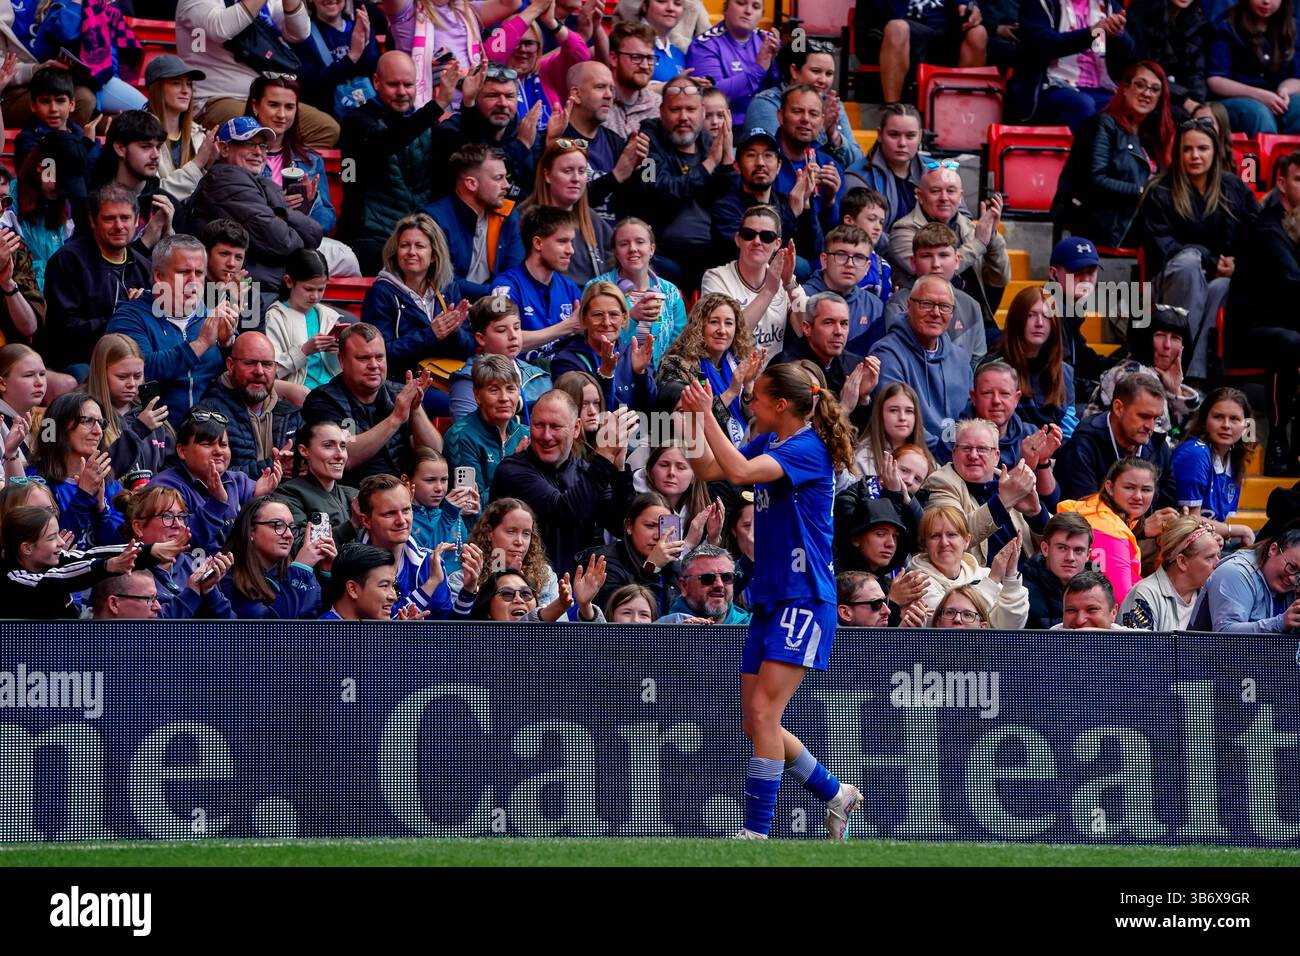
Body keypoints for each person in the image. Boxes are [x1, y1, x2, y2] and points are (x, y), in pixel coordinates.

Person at [677, 361, 863, 841]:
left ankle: (756, 834)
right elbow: (709, 468)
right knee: (754, 720)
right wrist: (691, 420)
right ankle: (835, 793)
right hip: (772, 596)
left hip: (805, 597)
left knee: (763, 714)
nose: (750, 403)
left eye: (756, 397)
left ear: (782, 404)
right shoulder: (773, 441)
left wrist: (708, 414)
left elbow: (736, 468)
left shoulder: (807, 447)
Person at [1136, 117, 1259, 379]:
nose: (1195, 155)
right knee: (1190, 263)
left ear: (1215, 151)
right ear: (1177, 152)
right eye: (1187, 149)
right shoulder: (1159, 190)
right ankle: (1173, 366)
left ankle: (1192, 376)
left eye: (1202, 148)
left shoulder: (1233, 188)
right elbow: (1164, 248)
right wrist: (1212, 261)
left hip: (1218, 280)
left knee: (1223, 286)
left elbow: (1255, 235)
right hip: (1170, 281)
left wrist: (1239, 265)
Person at [339, 50, 458, 273]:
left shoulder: (429, 125)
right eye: (394, 84)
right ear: (376, 82)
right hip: (369, 238)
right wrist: (437, 105)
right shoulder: (356, 122)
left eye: (408, 85)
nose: (402, 92)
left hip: (420, 238)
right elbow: (385, 143)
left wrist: (469, 104)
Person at [489, 389, 633, 573]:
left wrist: (619, 470)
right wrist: (604, 456)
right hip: (518, 590)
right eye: (539, 425)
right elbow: (564, 512)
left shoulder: (585, 470)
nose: (546, 436)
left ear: (576, 428)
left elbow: (621, 526)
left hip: (575, 591)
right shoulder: (512, 471)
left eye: (556, 427)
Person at [1223, 148, 1300, 473]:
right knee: (1291, 342)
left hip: (1285, 325)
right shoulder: (1267, 228)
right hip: (1248, 333)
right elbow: (1293, 283)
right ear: (1281, 183)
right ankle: (1278, 442)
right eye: (1299, 179)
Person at [175, 0, 340, 150]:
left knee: (325, 129)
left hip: (265, 100)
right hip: (214, 100)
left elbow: (300, 32)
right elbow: (220, 29)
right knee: (257, 130)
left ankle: (281, 171)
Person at [186, 116, 324, 294]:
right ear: (225, 148)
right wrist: (285, 216)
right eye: (250, 144)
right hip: (241, 293)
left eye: (263, 146)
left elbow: (314, 234)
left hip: (261, 288)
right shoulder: (226, 179)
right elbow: (282, 241)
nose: (259, 152)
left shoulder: (258, 182)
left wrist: (286, 215)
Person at [624, 73, 736, 289]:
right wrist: (710, 164)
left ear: (702, 113)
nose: (683, 117)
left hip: (709, 250)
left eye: (691, 110)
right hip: (662, 251)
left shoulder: (708, 143)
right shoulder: (648, 142)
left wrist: (727, 160)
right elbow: (656, 190)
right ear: (662, 112)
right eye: (675, 110)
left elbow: (727, 199)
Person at [245, 73, 359, 278]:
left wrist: (310, 204)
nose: (282, 114)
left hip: (301, 242)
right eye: (273, 105)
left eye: (289, 107)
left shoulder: (310, 160)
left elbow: (327, 220)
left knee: (348, 259)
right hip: (256, 244)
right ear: (255, 106)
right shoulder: (241, 154)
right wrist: (280, 208)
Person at [299, 323, 443, 486]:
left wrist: (415, 409)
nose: (374, 365)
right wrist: (395, 418)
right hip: (352, 497)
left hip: (402, 496)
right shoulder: (323, 400)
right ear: (342, 360)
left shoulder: (400, 393)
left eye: (379, 357)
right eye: (363, 358)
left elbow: (434, 453)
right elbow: (346, 457)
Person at [1051, 60, 1173, 247]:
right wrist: (1143, 191)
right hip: (1102, 221)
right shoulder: (1103, 125)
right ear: (1124, 88)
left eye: (1155, 89)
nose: (1146, 93)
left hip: (1137, 220)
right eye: (1140, 85)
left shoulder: (1153, 137)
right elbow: (1095, 181)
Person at [39, 185, 151, 379]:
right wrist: (122, 317)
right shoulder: (68, 260)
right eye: (109, 218)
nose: (119, 226)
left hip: (132, 360)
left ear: (136, 221)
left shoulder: (144, 266)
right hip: (78, 361)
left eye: (125, 218)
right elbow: (63, 330)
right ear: (92, 220)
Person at [360, 212, 471, 391]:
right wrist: (431, 334)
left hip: (447, 378)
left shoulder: (447, 289)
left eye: (419, 246)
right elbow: (378, 354)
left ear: (434, 255)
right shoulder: (381, 293)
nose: (411, 252)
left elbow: (469, 348)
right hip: (402, 383)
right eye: (405, 245)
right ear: (396, 252)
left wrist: (455, 331)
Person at [150, 409, 282, 557]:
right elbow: (178, 542)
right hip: (192, 575)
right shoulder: (165, 488)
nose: (219, 451)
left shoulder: (238, 481)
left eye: (224, 444)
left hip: (236, 573)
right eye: (208, 444)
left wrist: (257, 498)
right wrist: (216, 504)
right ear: (182, 450)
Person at [921, 417, 1049, 563]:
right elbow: (952, 536)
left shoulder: (1009, 481)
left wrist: (1036, 514)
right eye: (966, 448)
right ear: (954, 453)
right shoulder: (940, 482)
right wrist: (1003, 502)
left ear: (996, 456)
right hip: (978, 582)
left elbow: (1055, 543)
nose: (973, 455)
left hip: (1027, 579)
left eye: (982, 449)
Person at [870, 274, 974, 451]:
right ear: (909, 305)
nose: (935, 313)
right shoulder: (886, 354)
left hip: (958, 458)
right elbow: (898, 423)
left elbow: (971, 417)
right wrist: (946, 454)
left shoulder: (961, 359)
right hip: (910, 458)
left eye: (944, 307)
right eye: (926, 304)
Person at [888, 163, 1010, 310]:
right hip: (925, 317)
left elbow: (999, 278)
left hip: (973, 316)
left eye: (951, 191)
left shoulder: (971, 228)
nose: (944, 198)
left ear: (961, 197)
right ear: (919, 196)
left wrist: (992, 236)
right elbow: (932, 275)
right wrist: (978, 244)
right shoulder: (903, 230)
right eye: (935, 191)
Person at [1007, 0, 1136, 131]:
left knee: (1130, 106)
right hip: (1051, 86)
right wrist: (1091, 33)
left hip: (1100, 87)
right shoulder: (1041, 3)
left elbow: (1130, 54)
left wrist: (1119, 34)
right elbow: (1041, 45)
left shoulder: (1107, 5)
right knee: (1082, 105)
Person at [0, 506, 149, 619]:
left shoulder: (51, 560)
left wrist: (150, 550)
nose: (61, 542)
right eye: (51, 538)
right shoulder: (12, 579)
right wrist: (107, 566)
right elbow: (57, 579)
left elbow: (89, 556)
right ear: (27, 548)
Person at [1056, 371, 1178, 508]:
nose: (1150, 426)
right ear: (1118, 408)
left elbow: (1170, 506)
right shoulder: (1082, 447)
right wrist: (1142, 528)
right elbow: (1084, 517)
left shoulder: (1159, 447)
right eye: (1143, 416)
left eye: (1155, 418)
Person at [657, 292, 763, 446]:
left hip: (736, 448)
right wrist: (732, 391)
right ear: (699, 325)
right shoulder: (676, 364)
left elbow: (753, 418)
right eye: (714, 322)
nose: (722, 330)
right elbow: (690, 424)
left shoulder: (736, 361)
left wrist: (748, 386)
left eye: (728, 323)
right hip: (693, 451)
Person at [712, 126, 824, 272]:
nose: (760, 163)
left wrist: (806, 203)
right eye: (751, 155)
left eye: (768, 155)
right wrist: (791, 213)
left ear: (778, 166)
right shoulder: (726, 208)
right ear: (737, 166)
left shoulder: (785, 201)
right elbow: (749, 255)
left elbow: (813, 250)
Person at [549, 60, 645, 227]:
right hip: (570, 240)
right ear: (576, 94)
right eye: (600, 87)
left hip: (612, 245)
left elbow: (638, 202)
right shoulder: (556, 138)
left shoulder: (615, 141)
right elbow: (565, 201)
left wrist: (643, 169)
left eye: (612, 89)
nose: (609, 95)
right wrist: (617, 176)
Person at [701, 206, 807, 358]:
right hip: (729, 374)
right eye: (749, 234)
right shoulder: (716, 278)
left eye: (766, 236)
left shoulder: (785, 279)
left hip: (770, 378)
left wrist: (790, 283)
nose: (757, 241)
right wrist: (769, 291)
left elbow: (803, 328)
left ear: (777, 243)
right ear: (738, 239)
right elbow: (731, 336)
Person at [1056, 455, 1164, 604]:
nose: (1138, 496)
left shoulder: (1094, 506)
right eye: (1129, 488)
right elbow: (1122, 599)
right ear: (1110, 487)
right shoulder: (1109, 530)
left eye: (1146, 490)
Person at [1084, 303, 1204, 437]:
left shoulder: (1161, 376)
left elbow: (1190, 434)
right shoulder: (1129, 374)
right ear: (1144, 339)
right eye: (1160, 335)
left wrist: (1175, 391)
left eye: (1175, 338)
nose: (1167, 345)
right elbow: (1155, 439)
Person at [196, 332, 303, 480]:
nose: (259, 371)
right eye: (250, 363)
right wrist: (273, 467)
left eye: (267, 364)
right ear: (230, 365)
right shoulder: (208, 414)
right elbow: (207, 474)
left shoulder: (291, 414)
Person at [118, 484, 236, 619]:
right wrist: (192, 593)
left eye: (180, 517)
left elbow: (231, 626)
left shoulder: (194, 563)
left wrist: (209, 590)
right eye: (167, 516)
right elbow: (146, 633)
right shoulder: (125, 571)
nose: (178, 525)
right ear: (138, 527)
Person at [588, 217, 689, 372]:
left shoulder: (670, 292)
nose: (633, 248)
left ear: (652, 249)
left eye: (640, 242)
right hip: (611, 374)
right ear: (615, 252)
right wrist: (631, 318)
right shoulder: (596, 288)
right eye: (624, 244)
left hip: (655, 380)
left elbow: (678, 345)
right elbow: (592, 340)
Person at [428, 62, 540, 203]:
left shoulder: (526, 131)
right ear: (474, 98)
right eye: (492, 95)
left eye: (510, 96)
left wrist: (551, 143)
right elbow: (479, 166)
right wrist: (520, 146)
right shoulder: (451, 132)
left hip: (517, 221)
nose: (503, 103)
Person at [423, 144, 523, 301]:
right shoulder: (434, 219)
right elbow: (440, 280)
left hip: (496, 309)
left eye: (506, 177)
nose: (507, 186)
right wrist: (493, 292)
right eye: (498, 178)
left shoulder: (508, 215)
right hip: (447, 309)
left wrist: (498, 295)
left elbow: (515, 273)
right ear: (471, 183)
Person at [747, 39, 863, 173]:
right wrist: (822, 128)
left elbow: (858, 163)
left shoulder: (833, 105)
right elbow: (769, 159)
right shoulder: (765, 103)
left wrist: (834, 136)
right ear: (795, 71)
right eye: (816, 71)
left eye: (829, 74)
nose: (823, 80)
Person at [26, 392, 126, 548]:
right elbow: (54, 547)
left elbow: (118, 547)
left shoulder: (109, 484)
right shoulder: (35, 481)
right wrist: (84, 495)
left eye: (101, 422)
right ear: (60, 426)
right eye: (88, 421)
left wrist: (101, 511)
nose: (98, 431)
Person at [909, 504, 1030, 628]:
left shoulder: (984, 575)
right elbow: (947, 622)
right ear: (924, 544)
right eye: (935, 536)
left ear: (966, 541)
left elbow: (1009, 625)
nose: (944, 542)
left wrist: (1011, 576)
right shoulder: (915, 581)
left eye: (951, 534)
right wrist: (992, 581)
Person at [771, 292, 879, 430]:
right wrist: (844, 408)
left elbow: (862, 435)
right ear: (807, 328)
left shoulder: (855, 365)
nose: (839, 331)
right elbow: (793, 435)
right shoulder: (788, 368)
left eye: (844, 323)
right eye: (829, 323)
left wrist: (863, 399)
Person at [883, 222, 987, 365]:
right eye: (926, 256)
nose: (936, 264)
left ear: (957, 261)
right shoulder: (898, 305)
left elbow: (977, 363)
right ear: (913, 262)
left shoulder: (971, 306)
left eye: (943, 255)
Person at [488, 205, 583, 362]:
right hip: (517, 379)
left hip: (562, 377)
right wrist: (566, 327)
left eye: (571, 242)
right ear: (538, 243)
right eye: (562, 241)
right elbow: (502, 340)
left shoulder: (570, 288)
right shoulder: (504, 287)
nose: (571, 250)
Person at [353, 472, 454, 618]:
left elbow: (447, 626)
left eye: (406, 510)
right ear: (366, 521)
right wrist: (429, 585)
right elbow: (368, 626)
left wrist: (469, 591)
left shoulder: (430, 562)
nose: (401, 520)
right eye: (389, 513)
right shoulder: (351, 566)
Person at [550, 282, 658, 410]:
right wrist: (605, 375)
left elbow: (652, 410)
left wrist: (641, 374)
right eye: (597, 314)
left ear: (624, 319)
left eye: (614, 314)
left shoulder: (634, 355)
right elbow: (586, 416)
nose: (606, 323)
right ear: (583, 319)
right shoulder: (566, 361)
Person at [220, 495, 331, 618]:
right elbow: (272, 631)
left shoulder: (293, 571)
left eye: (291, 527)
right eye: (278, 525)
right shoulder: (230, 578)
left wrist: (325, 573)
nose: (289, 535)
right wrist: (301, 569)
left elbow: (324, 616)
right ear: (250, 530)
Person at [519, 140, 612, 286]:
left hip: (593, 303)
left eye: (582, 171)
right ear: (547, 175)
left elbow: (616, 267)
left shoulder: (594, 221)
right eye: (567, 171)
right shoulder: (523, 219)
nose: (576, 179)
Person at [950, 361, 1064, 479]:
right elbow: (974, 495)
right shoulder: (955, 437)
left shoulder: (1029, 434)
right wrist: (1025, 466)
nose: (996, 401)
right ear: (973, 397)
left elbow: (1051, 496)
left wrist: (1042, 461)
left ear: (1016, 398)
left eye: (1004, 393)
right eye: (987, 393)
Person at [1171, 386, 1256, 541]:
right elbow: (1190, 521)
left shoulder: (1233, 458)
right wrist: (1238, 530)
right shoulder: (1195, 453)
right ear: (1204, 421)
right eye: (1218, 417)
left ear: (1246, 426)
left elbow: (1216, 524)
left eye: (1234, 419)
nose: (1226, 425)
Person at [447, 296, 551, 421]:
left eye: (517, 327)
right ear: (481, 338)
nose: (513, 336)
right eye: (501, 330)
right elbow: (464, 434)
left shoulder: (539, 377)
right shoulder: (468, 379)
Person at [444, 496, 560, 607]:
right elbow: (464, 626)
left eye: (526, 533)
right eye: (511, 531)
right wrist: (504, 578)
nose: (519, 541)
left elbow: (558, 624)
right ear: (489, 532)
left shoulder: (545, 576)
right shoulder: (461, 579)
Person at [84, 333, 173, 478]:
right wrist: (139, 429)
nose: (132, 384)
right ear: (101, 374)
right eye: (122, 377)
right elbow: (98, 472)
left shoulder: (151, 413)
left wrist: (157, 489)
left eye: (138, 376)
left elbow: (172, 466)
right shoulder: (84, 414)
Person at [867, 0, 989, 106]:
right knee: (896, 27)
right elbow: (888, 14)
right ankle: (892, 108)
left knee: (978, 32)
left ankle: (965, 109)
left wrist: (967, 6)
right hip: (910, 31)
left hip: (947, 32)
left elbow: (969, 7)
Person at [1206, 0, 1300, 134]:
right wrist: (1259, 95)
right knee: (1259, 115)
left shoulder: (1292, 27)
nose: (1266, 2)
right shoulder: (1227, 25)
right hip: (1237, 98)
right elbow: (1215, 80)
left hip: (1277, 96)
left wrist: (1284, 90)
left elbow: (1296, 77)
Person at [580, 491, 684, 612]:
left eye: (663, 528)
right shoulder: (604, 563)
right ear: (629, 526)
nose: (658, 536)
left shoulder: (673, 566)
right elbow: (622, 617)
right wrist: (651, 569)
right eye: (650, 526)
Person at [443, 354, 529, 499]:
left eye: (510, 389)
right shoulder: (462, 436)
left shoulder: (525, 434)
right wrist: (512, 468)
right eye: (494, 390)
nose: (504, 398)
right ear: (477, 395)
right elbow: (471, 505)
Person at [684, 0, 781, 128]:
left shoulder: (767, 40)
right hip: (723, 126)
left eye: (756, 7)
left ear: (761, 15)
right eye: (741, 3)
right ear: (725, 8)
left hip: (766, 122)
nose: (748, 11)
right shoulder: (704, 45)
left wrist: (775, 64)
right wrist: (759, 68)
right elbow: (712, 95)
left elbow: (780, 88)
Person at [263, 249, 346, 391]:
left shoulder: (328, 315)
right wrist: (304, 351)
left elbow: (336, 368)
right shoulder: (275, 316)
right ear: (289, 282)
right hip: (299, 392)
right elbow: (270, 371)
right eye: (308, 289)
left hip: (334, 388)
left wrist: (336, 351)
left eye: (321, 289)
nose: (315, 296)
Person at [1120, 515, 1222, 629]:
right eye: (1209, 557)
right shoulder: (1144, 595)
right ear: (1182, 562)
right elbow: (1140, 646)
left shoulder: (1210, 594)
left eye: (1218, 555)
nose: (1218, 563)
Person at [1190, 526, 1300, 632]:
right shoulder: (1235, 572)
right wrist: (1279, 623)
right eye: (1291, 567)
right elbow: (1224, 633)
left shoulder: (1294, 587)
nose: (1292, 579)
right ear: (1273, 549)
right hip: (1204, 650)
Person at [801, 225, 887, 355]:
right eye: (841, 255)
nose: (850, 264)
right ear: (824, 260)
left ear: (868, 267)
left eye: (859, 257)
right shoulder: (802, 297)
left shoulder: (875, 307)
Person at [291, 0, 382, 121]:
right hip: (329, 117)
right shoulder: (304, 36)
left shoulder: (359, 24)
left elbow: (375, 71)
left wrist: (366, 42)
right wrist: (352, 56)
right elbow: (310, 84)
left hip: (366, 109)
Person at [273, 418, 357, 548]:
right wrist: (353, 526)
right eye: (328, 445)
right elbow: (297, 546)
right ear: (304, 451)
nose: (340, 455)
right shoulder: (288, 494)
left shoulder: (354, 494)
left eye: (343, 446)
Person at [843, 103, 926, 233]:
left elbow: (961, 218)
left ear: (920, 137)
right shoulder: (857, 178)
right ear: (880, 134)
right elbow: (862, 232)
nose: (902, 143)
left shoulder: (935, 171)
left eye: (910, 136)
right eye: (894, 135)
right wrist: (906, 246)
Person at [144, 55, 217, 202]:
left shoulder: (198, 135)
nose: (186, 91)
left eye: (189, 84)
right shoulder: (141, 136)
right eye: (176, 83)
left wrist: (210, 167)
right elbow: (155, 194)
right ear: (157, 89)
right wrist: (197, 164)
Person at [1126, 0, 1210, 121]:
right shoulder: (1141, 16)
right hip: (1149, 93)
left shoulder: (1196, 22)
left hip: (1183, 96)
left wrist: (1198, 103)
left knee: (1214, 115)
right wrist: (1184, 100)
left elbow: (1197, 72)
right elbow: (1144, 69)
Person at [846, 380, 930, 483]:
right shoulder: (863, 458)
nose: (902, 417)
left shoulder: (928, 460)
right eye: (893, 410)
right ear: (880, 415)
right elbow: (866, 498)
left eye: (909, 411)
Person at [407, 447, 476, 571]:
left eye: (444, 480)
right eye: (430, 480)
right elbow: (423, 568)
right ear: (406, 480)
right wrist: (447, 517)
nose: (439, 488)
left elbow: (469, 554)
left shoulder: (453, 514)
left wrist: (475, 515)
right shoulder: (403, 520)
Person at [1022, 511, 1095, 628]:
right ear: (1045, 549)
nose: (1070, 557)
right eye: (1062, 548)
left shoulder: (1100, 589)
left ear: (1088, 555)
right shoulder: (1021, 591)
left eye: (1078, 550)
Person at [464, 563, 607, 622]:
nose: (519, 599)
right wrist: (559, 605)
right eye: (507, 594)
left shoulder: (557, 644)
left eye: (526, 594)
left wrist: (585, 606)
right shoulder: (476, 646)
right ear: (487, 609)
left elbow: (601, 652)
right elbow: (527, 625)